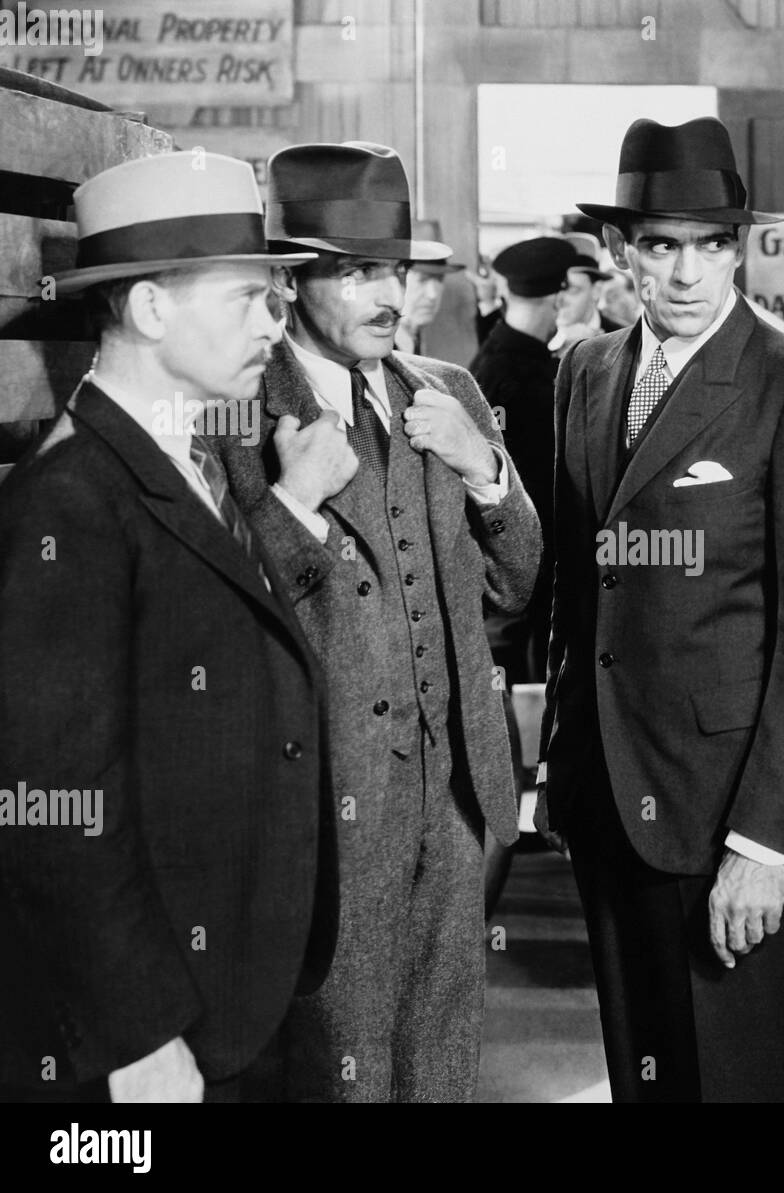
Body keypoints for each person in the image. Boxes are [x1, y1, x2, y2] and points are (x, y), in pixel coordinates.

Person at [538, 117, 784, 1103]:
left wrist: (765, 844)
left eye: (713, 245)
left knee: (743, 1078)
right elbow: (574, 578)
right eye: (662, 246)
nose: (688, 273)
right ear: (618, 251)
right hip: (607, 797)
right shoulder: (586, 373)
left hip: (726, 812)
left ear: (739, 248)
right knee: (645, 1074)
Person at [0, 152, 335, 1103]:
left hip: (228, 1001)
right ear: (150, 310)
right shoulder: (70, 503)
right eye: (247, 298)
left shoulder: (199, 461)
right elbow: (52, 801)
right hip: (153, 1038)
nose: (278, 324)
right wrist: (138, 1031)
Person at [212, 140, 542, 1102]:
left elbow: (512, 586)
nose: (386, 294)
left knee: (440, 1056)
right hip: (326, 804)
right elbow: (228, 621)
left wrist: (486, 472)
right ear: (294, 280)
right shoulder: (236, 413)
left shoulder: (450, 396)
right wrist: (299, 503)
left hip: (459, 797)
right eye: (356, 272)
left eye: (394, 268)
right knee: (336, 1061)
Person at [470, 235, 578, 685]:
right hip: (521, 561)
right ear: (555, 299)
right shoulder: (512, 374)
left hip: (529, 557)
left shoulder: (501, 363)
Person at [548, 231, 619, 355]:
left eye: (571, 290)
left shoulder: (625, 338)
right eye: (555, 289)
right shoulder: (535, 338)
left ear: (596, 290)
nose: (559, 300)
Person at [394, 254, 464, 355]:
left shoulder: (417, 339)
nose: (433, 295)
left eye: (439, 279)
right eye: (422, 280)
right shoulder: (374, 354)